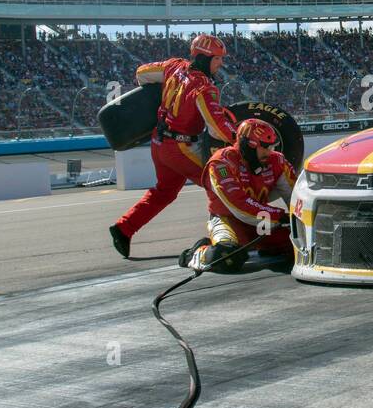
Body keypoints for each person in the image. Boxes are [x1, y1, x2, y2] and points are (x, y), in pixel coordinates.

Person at [109, 34, 236, 257]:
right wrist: (241, 139)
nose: (221, 63)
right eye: (218, 58)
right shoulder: (204, 88)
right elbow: (218, 129)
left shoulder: (173, 65)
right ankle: (228, 238)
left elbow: (142, 73)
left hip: (158, 142)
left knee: (164, 192)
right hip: (181, 148)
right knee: (219, 184)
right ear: (205, 58)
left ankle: (123, 228)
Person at [182, 118, 297, 272]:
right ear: (248, 145)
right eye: (264, 147)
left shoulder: (277, 160)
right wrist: (280, 215)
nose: (269, 152)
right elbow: (238, 205)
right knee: (226, 257)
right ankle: (194, 253)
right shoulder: (221, 163)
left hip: (261, 222)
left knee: (301, 244)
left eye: (272, 146)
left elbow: (296, 197)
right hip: (227, 219)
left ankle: (263, 245)